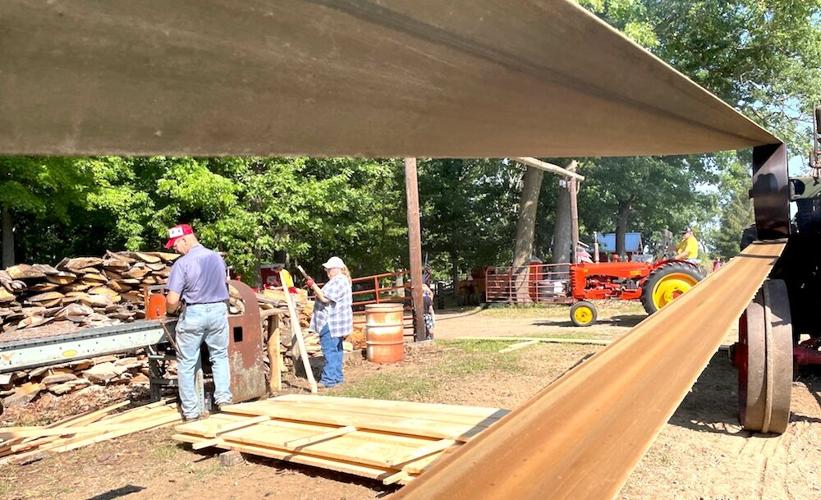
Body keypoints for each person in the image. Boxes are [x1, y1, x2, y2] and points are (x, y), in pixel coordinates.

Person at [164, 223, 232, 421]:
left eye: (175, 245)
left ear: (184, 239)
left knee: (187, 362)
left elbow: (172, 300)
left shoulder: (182, 264)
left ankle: (191, 412)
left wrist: (171, 311)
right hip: (219, 310)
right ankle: (224, 401)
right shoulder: (217, 258)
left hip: (194, 313)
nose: (175, 249)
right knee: (219, 356)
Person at [306, 256, 353, 388]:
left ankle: (329, 379)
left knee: (330, 350)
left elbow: (325, 298)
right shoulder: (342, 281)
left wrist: (313, 286)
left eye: (329, 269)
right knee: (337, 349)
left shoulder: (338, 281)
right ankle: (337, 376)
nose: (327, 272)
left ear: (337, 269)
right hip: (337, 321)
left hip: (331, 321)